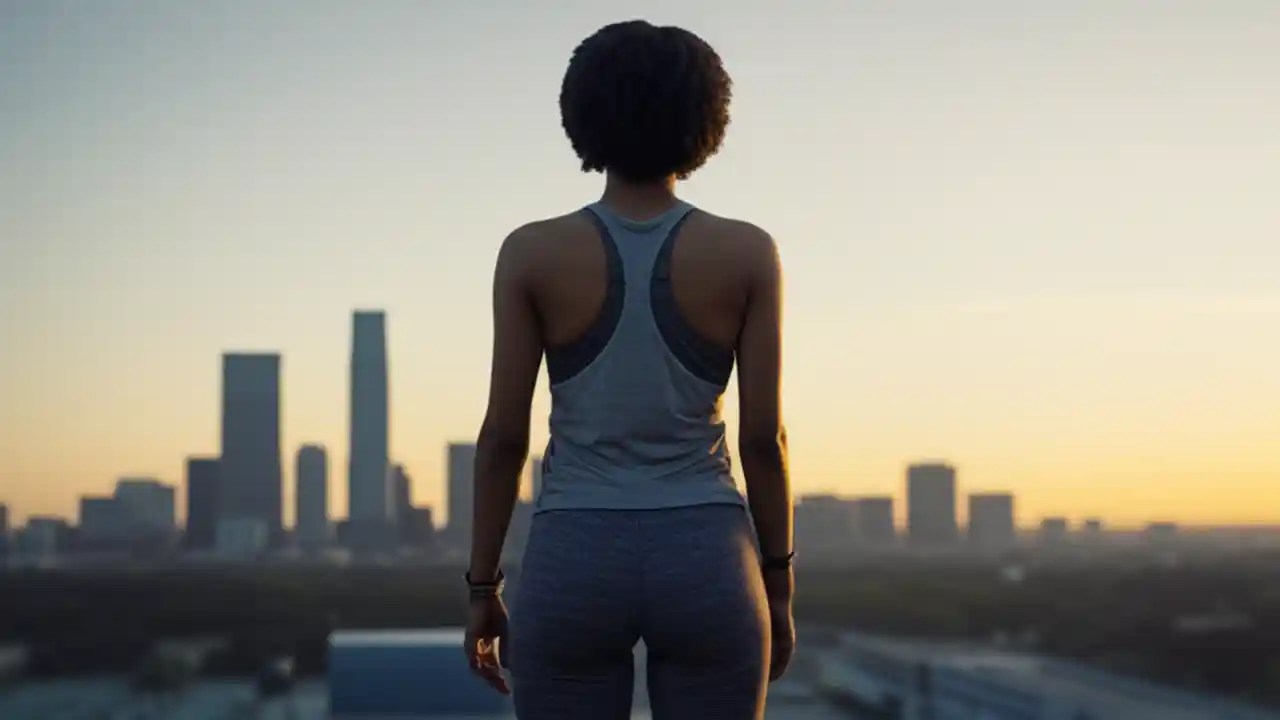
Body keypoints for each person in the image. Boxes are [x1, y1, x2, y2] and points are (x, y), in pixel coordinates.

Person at [464, 19, 794, 720]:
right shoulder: (746, 253)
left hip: (573, 556)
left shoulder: (531, 252)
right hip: (708, 558)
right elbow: (764, 442)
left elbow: (500, 440)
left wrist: (481, 587)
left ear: (581, 113)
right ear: (707, 116)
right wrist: (779, 587)